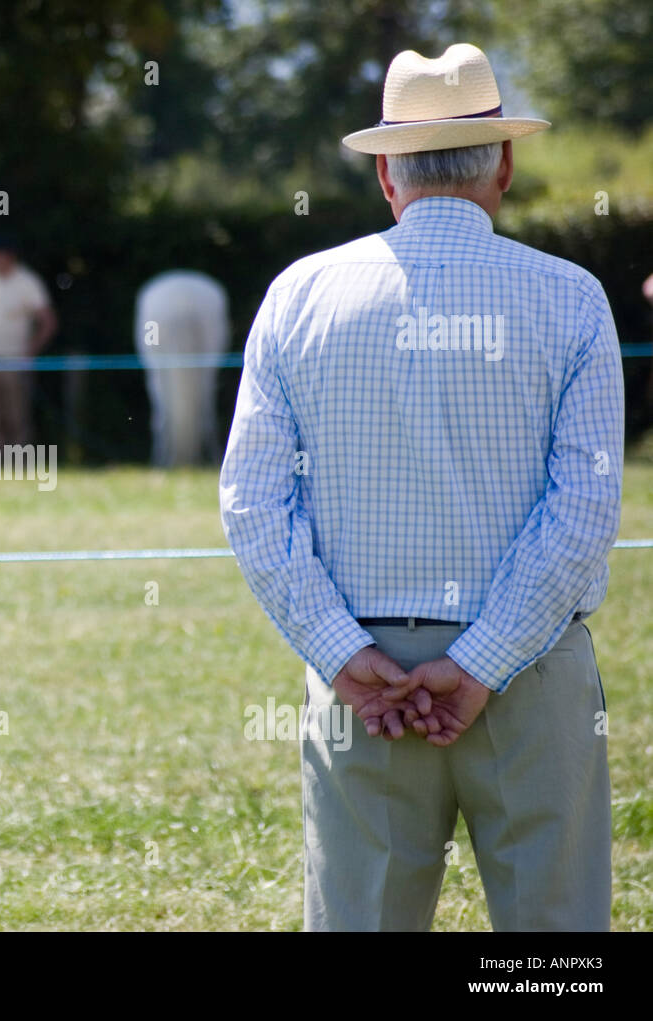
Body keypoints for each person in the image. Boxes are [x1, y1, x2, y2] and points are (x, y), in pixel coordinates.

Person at [220, 43, 623, 931]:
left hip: (364, 678)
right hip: (533, 674)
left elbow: (252, 504)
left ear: (385, 174)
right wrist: (480, 664)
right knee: (552, 960)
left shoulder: (298, 296)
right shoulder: (573, 298)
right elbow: (585, 511)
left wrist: (340, 653)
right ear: (505, 163)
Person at [0, 234, 57, 446]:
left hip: (16, 363)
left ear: (9, 255)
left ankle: (21, 466)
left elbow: (48, 321)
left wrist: (30, 350)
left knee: (17, 419)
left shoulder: (28, 282)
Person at [134, 270, 230, 466]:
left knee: (161, 390)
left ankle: (165, 459)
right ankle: (209, 457)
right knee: (205, 389)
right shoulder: (211, 293)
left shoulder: (151, 295)